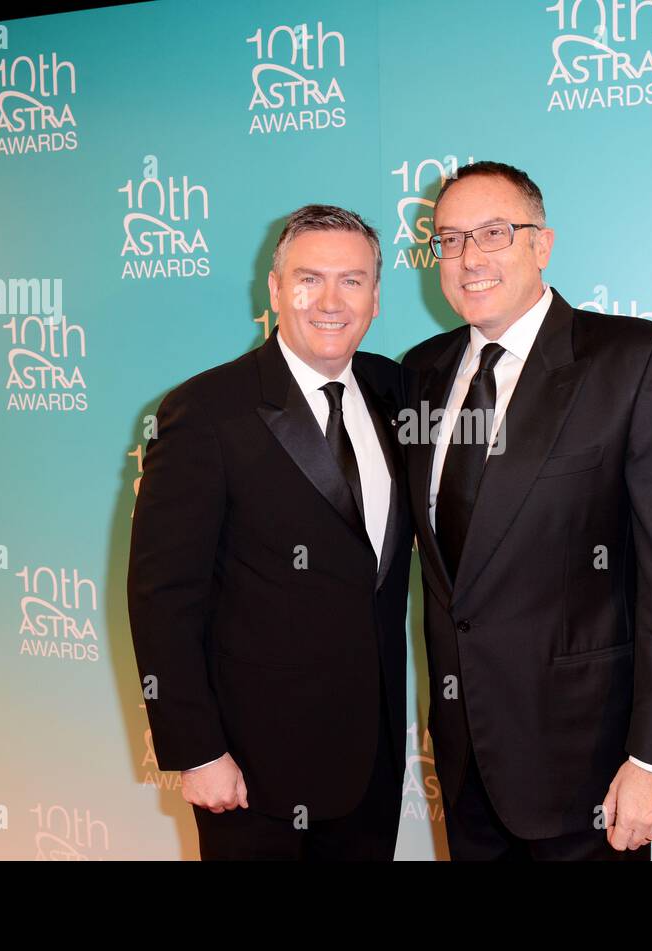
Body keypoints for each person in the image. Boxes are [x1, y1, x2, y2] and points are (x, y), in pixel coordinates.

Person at [401, 162, 652, 860]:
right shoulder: (421, 371)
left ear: (541, 244)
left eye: (493, 232)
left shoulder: (635, 361)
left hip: (589, 770)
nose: (469, 257)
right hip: (463, 764)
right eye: (449, 240)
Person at [127, 205, 412, 860]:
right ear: (277, 289)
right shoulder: (206, 411)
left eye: (353, 280)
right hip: (254, 776)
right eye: (310, 279)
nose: (331, 301)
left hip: (371, 764)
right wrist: (197, 750)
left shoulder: (396, 392)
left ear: (376, 296)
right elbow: (162, 596)